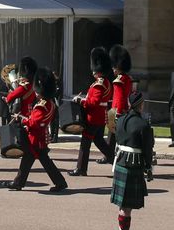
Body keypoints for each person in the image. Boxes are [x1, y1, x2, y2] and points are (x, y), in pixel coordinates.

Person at [8, 68, 68, 193]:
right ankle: (19, 182)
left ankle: (19, 183)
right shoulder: (49, 103)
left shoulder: (42, 105)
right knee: (37, 161)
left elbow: (34, 122)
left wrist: (22, 119)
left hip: (35, 138)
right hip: (39, 137)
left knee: (35, 160)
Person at [112, 90, 154, 230]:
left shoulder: (120, 120)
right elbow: (147, 150)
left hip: (121, 161)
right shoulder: (143, 125)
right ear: (141, 105)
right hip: (132, 166)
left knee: (123, 206)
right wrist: (149, 166)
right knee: (126, 208)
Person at [71, 48, 115, 176]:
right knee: (99, 142)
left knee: (85, 143)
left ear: (97, 71)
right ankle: (116, 162)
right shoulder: (105, 82)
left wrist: (80, 101)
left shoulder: (99, 84)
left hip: (93, 118)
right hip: (100, 117)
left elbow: (93, 103)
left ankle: (81, 169)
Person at [109, 45, 134, 137]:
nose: (113, 68)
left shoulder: (118, 81)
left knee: (112, 140)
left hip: (117, 112)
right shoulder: (127, 78)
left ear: (118, 66)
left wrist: (117, 114)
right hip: (126, 111)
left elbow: (119, 99)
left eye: (114, 66)